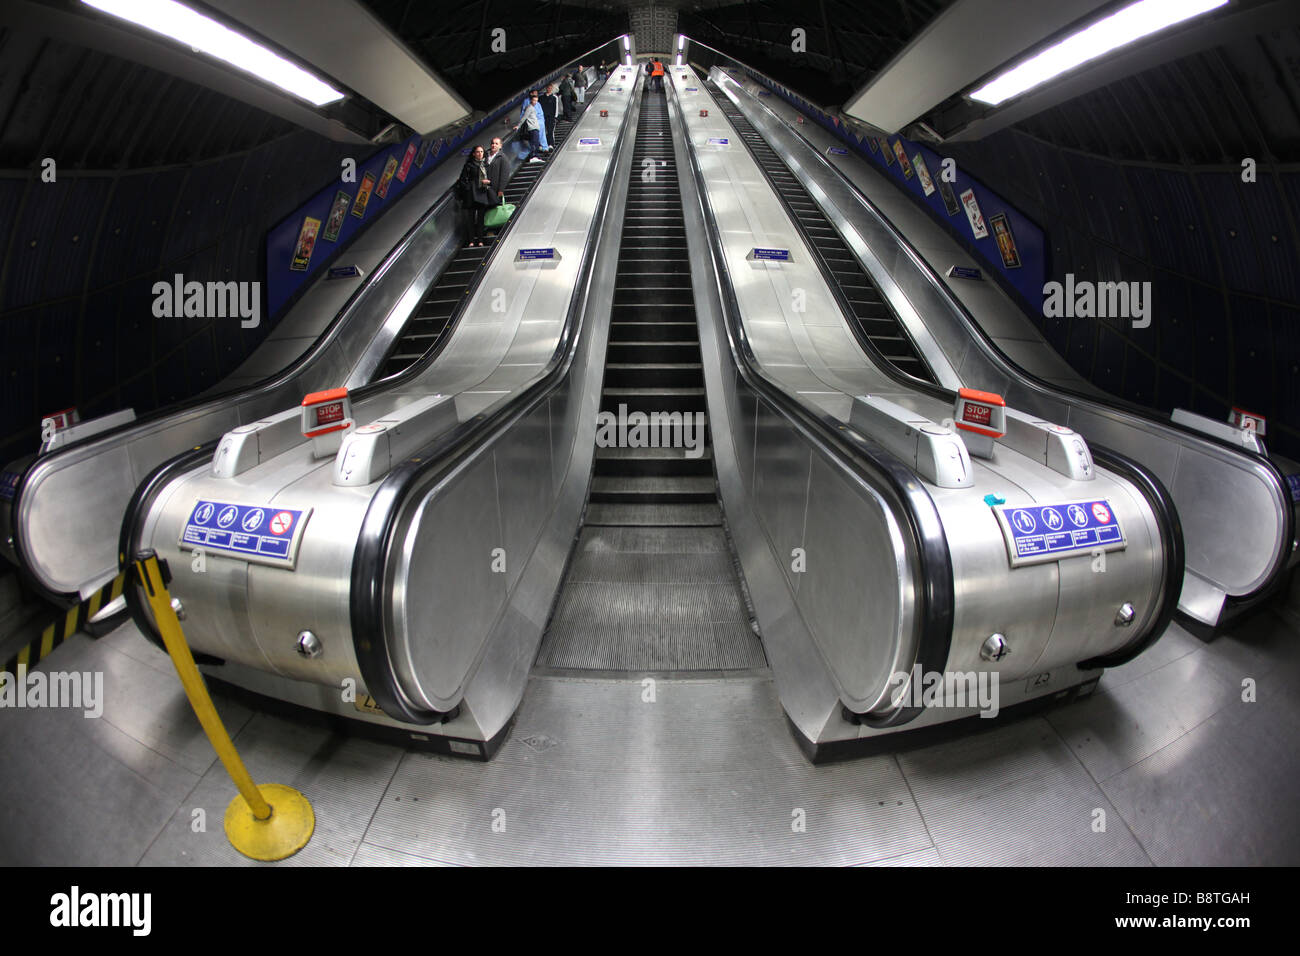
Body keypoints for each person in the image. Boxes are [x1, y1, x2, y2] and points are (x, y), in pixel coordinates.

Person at [457, 145, 495, 246]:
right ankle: (471, 240)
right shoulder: (469, 165)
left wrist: (488, 182)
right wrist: (469, 187)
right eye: (478, 152)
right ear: (473, 154)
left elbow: (492, 179)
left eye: (482, 152)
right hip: (471, 194)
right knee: (471, 218)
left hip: (482, 193)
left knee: (481, 218)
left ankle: (481, 240)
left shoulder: (486, 165)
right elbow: (462, 180)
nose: (480, 154)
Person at [513, 91, 547, 163]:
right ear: (531, 100)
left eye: (536, 101)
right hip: (532, 128)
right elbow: (524, 117)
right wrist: (518, 126)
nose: (535, 102)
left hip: (535, 127)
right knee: (534, 142)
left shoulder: (533, 108)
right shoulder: (529, 108)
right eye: (534, 100)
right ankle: (533, 156)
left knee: (536, 142)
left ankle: (536, 156)